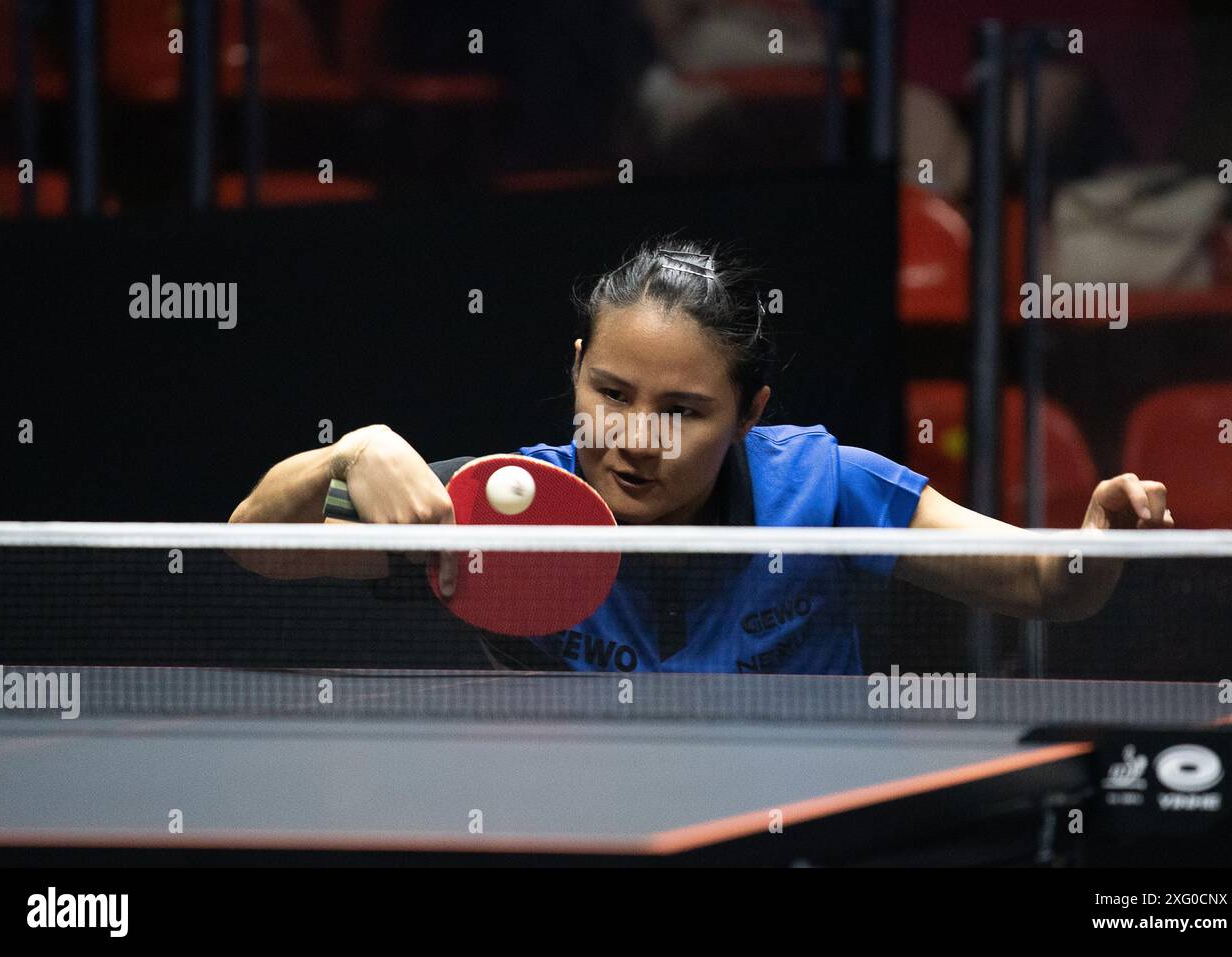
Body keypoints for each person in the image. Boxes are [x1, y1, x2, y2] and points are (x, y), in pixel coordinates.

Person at [230, 237, 1172, 673]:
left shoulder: (823, 488)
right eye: (611, 394)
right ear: (575, 372)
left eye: (682, 411)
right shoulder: (495, 510)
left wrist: (1101, 537)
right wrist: (345, 455)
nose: (636, 437)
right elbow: (252, 546)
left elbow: (1051, 584)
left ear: (750, 413)